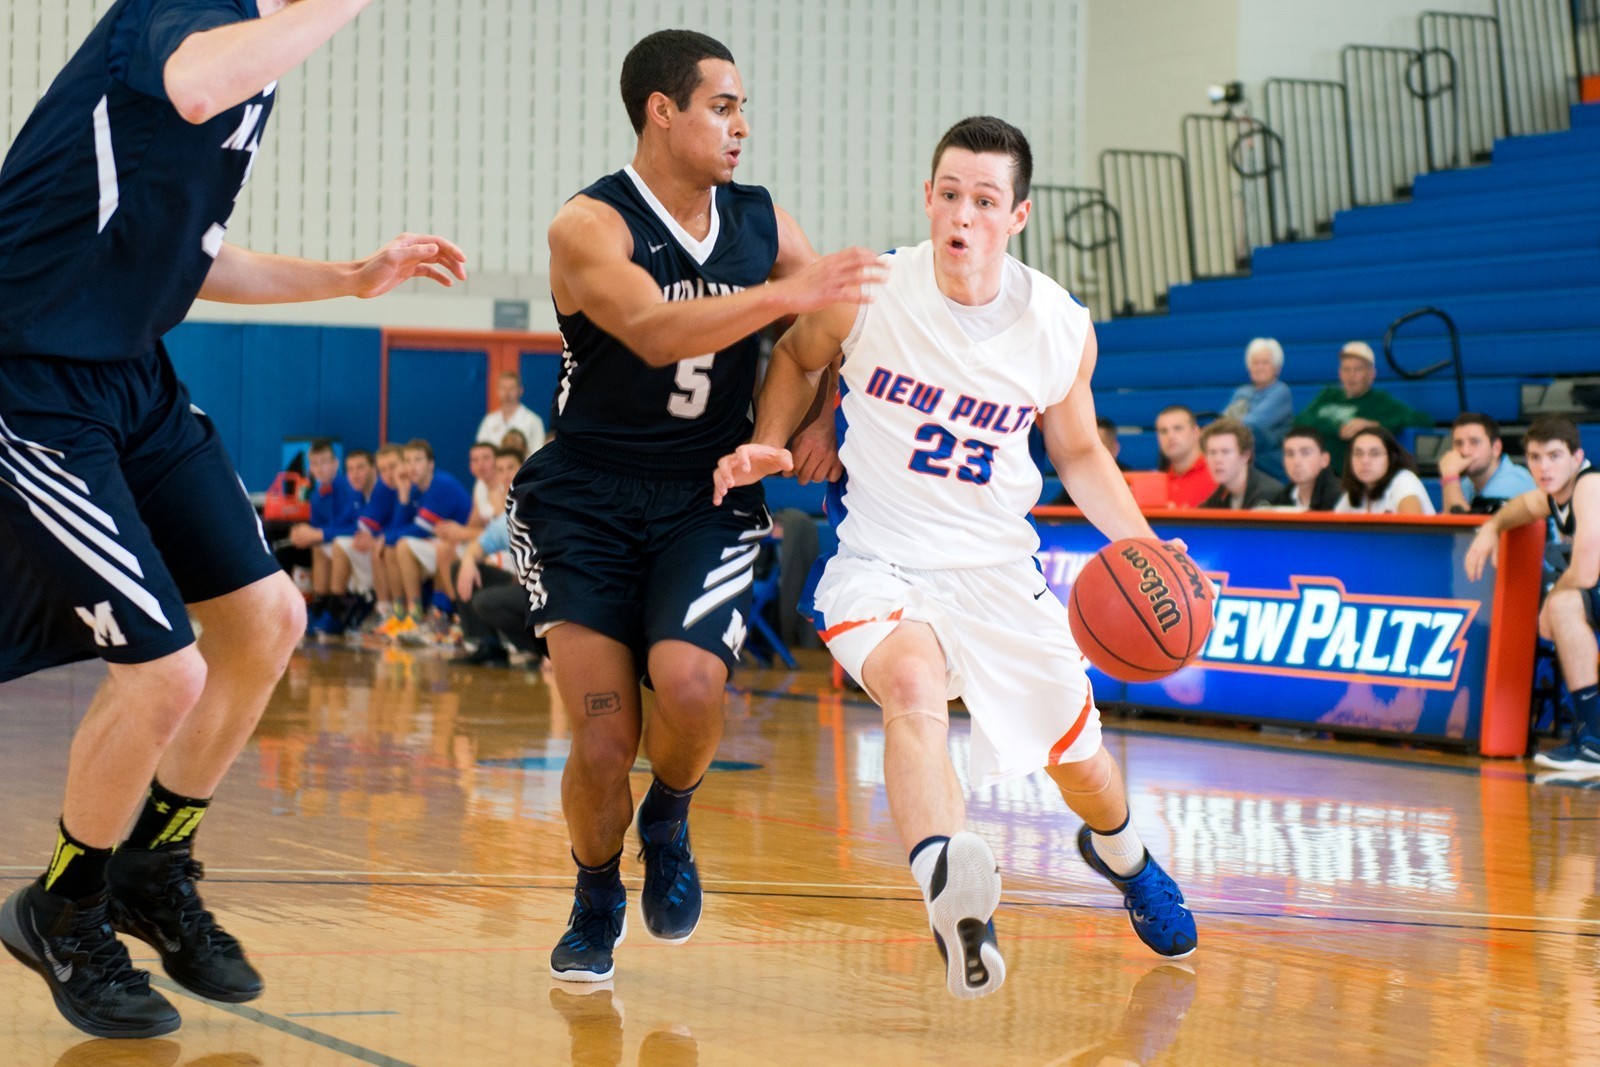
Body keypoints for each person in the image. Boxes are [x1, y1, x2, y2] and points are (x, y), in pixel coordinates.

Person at [0, 0, 466, 1040]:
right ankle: (65, 904)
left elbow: (193, 258)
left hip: (133, 377)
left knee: (269, 621)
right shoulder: (181, 21)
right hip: (31, 382)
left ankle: (153, 863)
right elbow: (200, 81)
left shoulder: (244, 58)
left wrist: (351, 279)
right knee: (167, 673)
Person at [714, 116, 1197, 1000]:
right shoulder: (869, 290)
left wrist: (1141, 544)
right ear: (927, 199)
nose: (961, 215)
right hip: (881, 558)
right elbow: (795, 354)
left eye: (983, 199)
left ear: (1016, 215)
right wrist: (772, 441)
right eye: (948, 194)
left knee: (1080, 764)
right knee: (910, 685)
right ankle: (948, 885)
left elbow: (1081, 453)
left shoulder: (1058, 325)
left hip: (1000, 572)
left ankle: (1123, 855)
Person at [510, 29, 882, 983]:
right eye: (722, 106)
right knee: (600, 735)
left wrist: (825, 415)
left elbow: (831, 327)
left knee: (686, 686)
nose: (741, 125)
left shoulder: (762, 220)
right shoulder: (588, 225)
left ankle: (668, 817)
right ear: (660, 111)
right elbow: (648, 328)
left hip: (706, 493)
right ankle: (596, 889)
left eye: (743, 107)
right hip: (583, 499)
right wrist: (787, 294)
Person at [1466, 416, 1600, 773]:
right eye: (1535, 457)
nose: (1544, 466)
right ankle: (1592, 738)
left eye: (1554, 456)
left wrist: (1552, 600)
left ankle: (1594, 740)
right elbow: (1522, 506)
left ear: (1577, 457)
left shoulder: (1590, 486)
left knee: (1565, 604)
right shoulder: (1555, 494)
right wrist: (1492, 527)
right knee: (1566, 603)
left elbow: (1587, 570)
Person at [378, 438, 472, 641]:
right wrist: (403, 497)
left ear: (431, 464)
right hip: (441, 543)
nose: (412, 466)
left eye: (418, 460)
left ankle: (417, 614)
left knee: (401, 546)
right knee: (392, 549)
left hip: (463, 544)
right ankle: (400, 612)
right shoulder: (416, 489)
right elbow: (400, 529)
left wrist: (386, 537)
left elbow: (418, 530)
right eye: (408, 461)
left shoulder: (441, 484)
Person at [1292, 340, 1433, 475]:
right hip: (1320, 474)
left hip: (1353, 477)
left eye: (1357, 369)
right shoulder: (1328, 394)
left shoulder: (1381, 401)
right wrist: (1337, 428)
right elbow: (1300, 421)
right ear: (1339, 373)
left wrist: (1373, 426)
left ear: (1372, 374)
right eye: (1346, 369)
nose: (1351, 375)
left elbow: (1423, 420)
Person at [453, 449, 539, 667]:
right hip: (522, 584)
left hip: (547, 586)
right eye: (500, 470)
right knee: (460, 566)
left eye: (511, 467)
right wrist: (469, 561)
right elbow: (481, 543)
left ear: (524, 468)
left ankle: (541, 651)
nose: (506, 474)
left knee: (486, 601)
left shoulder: (539, 500)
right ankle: (488, 645)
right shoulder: (510, 512)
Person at [291, 441, 366, 632]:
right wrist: (303, 535)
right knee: (316, 545)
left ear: (336, 463)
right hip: (339, 545)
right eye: (314, 463)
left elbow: (356, 526)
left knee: (333, 542)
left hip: (357, 544)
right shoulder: (316, 495)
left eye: (324, 462)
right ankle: (320, 605)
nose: (319, 468)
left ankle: (335, 609)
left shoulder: (349, 487)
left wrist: (317, 534)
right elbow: (318, 531)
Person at [1222, 337, 1292, 481]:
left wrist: (1228, 428)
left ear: (1277, 368)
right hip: (1244, 455)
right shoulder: (1241, 392)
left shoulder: (1281, 391)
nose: (1259, 367)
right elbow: (1223, 422)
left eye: (1265, 362)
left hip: (1269, 460)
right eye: (1255, 363)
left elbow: (1255, 424)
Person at [1438, 412, 1535, 513]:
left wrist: (1450, 477)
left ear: (1496, 448)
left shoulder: (1514, 481)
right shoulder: (1464, 485)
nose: (1465, 451)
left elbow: (1471, 527)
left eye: (1474, 442)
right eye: (1459, 443)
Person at [1334, 427, 1435, 515]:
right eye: (1358, 454)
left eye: (1375, 454)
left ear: (1391, 458)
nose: (1365, 460)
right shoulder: (1354, 493)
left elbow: (1414, 531)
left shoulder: (1404, 480)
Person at [1198, 418, 1283, 510]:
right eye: (1212, 453)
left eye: (1225, 452)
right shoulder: (1223, 492)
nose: (1218, 459)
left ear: (1245, 455)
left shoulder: (1267, 494)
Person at [1155, 405, 1217, 507]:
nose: (1170, 436)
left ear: (1196, 432)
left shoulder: (1218, 474)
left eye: (1178, 428)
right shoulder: (1157, 483)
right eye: (1163, 431)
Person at [477, 370, 546, 455]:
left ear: (520, 390)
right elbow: (481, 452)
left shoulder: (533, 420)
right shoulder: (489, 421)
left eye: (511, 388)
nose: (507, 393)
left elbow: (538, 454)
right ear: (497, 391)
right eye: (503, 388)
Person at [1272, 428, 1342, 510]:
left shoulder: (1341, 497)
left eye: (1305, 453)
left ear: (1324, 460)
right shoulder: (1283, 498)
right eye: (1290, 454)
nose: (1296, 462)